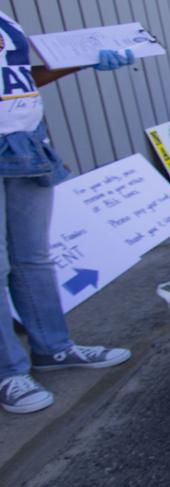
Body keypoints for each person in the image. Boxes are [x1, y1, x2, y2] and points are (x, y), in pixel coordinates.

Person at [1, 9, 137, 416]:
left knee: (33, 258)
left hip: (25, 144)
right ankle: (9, 371)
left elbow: (21, 81)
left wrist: (82, 60)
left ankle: (53, 348)